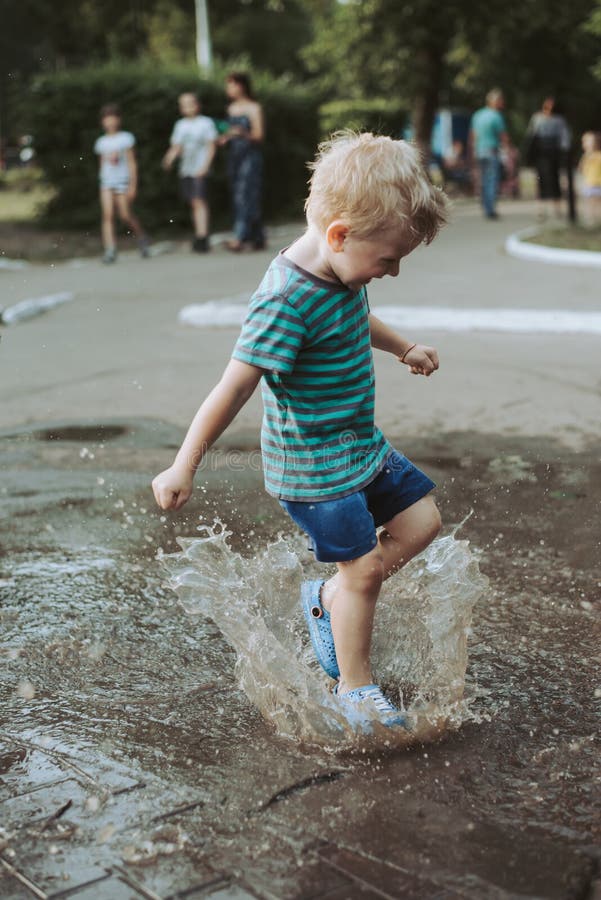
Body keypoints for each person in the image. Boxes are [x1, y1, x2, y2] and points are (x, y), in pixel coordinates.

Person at [152, 132, 449, 731]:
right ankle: (355, 687)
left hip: (359, 446)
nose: (390, 272)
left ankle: (329, 600)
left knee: (423, 524)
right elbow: (233, 386)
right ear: (338, 234)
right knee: (364, 569)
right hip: (314, 470)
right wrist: (185, 463)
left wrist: (403, 347)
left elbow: (356, 315)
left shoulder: (342, 274)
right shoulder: (284, 300)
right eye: (387, 259)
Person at [94, 104, 149, 264]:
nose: (110, 123)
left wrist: (133, 184)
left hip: (123, 181)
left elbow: (132, 163)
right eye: (106, 119)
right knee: (107, 215)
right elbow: (101, 164)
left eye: (113, 119)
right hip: (106, 182)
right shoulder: (101, 142)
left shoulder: (126, 138)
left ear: (118, 120)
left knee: (125, 215)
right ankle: (110, 249)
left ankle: (141, 237)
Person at [162, 93, 218, 253]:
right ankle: (200, 233)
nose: (188, 107)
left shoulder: (205, 123)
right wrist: (169, 159)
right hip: (187, 168)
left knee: (199, 201)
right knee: (193, 202)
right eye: (184, 104)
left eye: (191, 103)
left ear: (197, 105)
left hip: (200, 168)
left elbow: (211, 146)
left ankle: (202, 236)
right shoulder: (180, 125)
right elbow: (177, 147)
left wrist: (206, 166)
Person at [218, 72, 266, 252]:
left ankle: (240, 237)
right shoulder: (230, 109)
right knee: (240, 196)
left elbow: (259, 136)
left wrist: (242, 133)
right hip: (234, 156)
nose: (228, 89)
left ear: (241, 86)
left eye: (231, 85)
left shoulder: (254, 108)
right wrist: (225, 138)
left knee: (246, 194)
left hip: (250, 156)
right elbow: (229, 133)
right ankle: (258, 237)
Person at [524, 97, 571, 219]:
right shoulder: (537, 118)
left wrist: (564, 152)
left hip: (553, 155)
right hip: (540, 155)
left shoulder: (559, 120)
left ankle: (557, 209)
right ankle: (540, 210)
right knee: (540, 181)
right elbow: (531, 136)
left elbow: (564, 137)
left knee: (555, 181)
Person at [469, 89, 508, 219]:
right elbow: (503, 136)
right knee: (491, 180)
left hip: (479, 151)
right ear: (494, 101)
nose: (502, 103)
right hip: (491, 151)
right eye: (500, 101)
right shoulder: (496, 116)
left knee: (484, 180)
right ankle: (490, 210)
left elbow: (473, 135)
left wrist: (473, 151)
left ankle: (485, 206)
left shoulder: (478, 115)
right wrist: (507, 150)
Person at [578, 131, 601, 226]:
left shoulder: (599, 155)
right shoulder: (585, 156)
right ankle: (591, 221)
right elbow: (581, 169)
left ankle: (597, 221)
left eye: (588, 141)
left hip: (598, 184)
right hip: (589, 184)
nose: (585, 144)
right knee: (589, 204)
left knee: (598, 204)